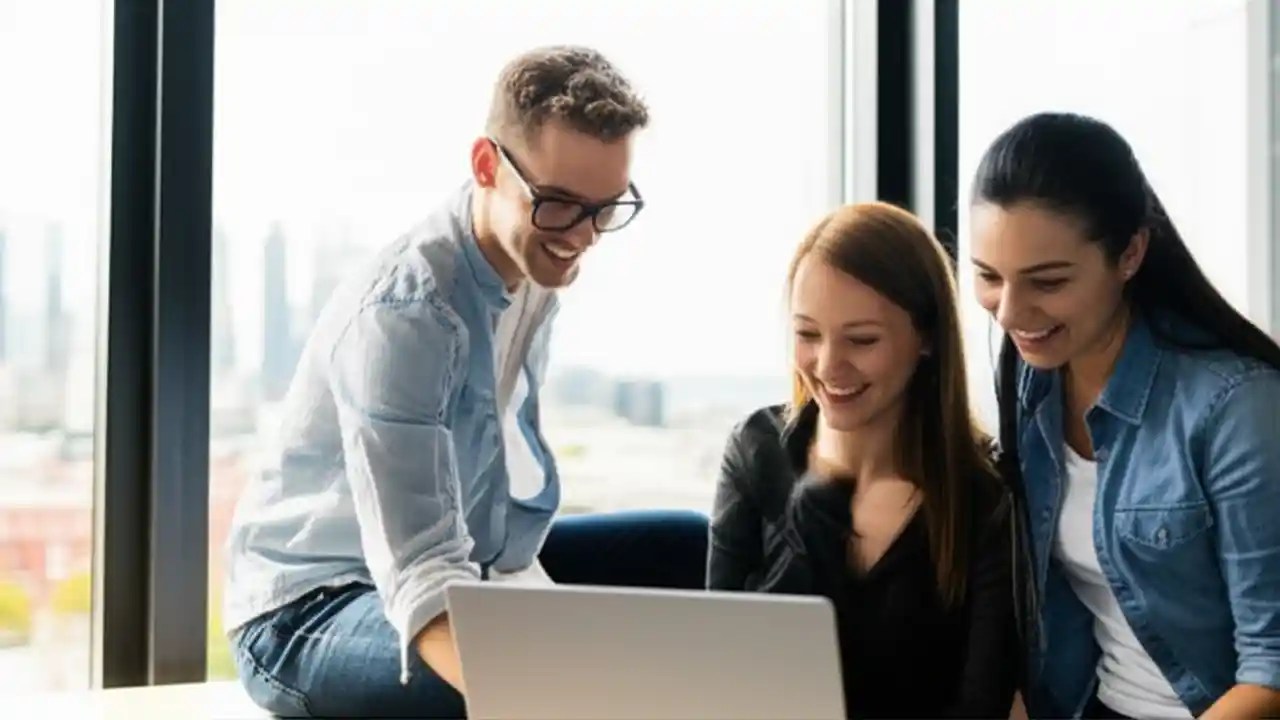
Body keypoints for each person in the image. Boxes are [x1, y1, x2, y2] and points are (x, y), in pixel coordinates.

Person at [222, 45, 709, 718]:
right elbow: (420, 571)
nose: (585, 236)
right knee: (496, 687)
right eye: (561, 204)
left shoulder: (530, 259)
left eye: (606, 207)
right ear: (487, 165)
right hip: (311, 609)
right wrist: (532, 682)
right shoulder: (407, 315)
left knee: (687, 546)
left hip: (467, 569)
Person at [971, 111, 1280, 720]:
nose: (1008, 313)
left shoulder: (1237, 408)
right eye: (988, 277)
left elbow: (1271, 670)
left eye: (1047, 281)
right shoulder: (1032, 389)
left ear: (1131, 252)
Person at [708, 201, 1019, 719]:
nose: (829, 366)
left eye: (862, 340)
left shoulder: (983, 497)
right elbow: (719, 660)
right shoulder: (757, 449)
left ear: (926, 338)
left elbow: (979, 707)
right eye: (808, 334)